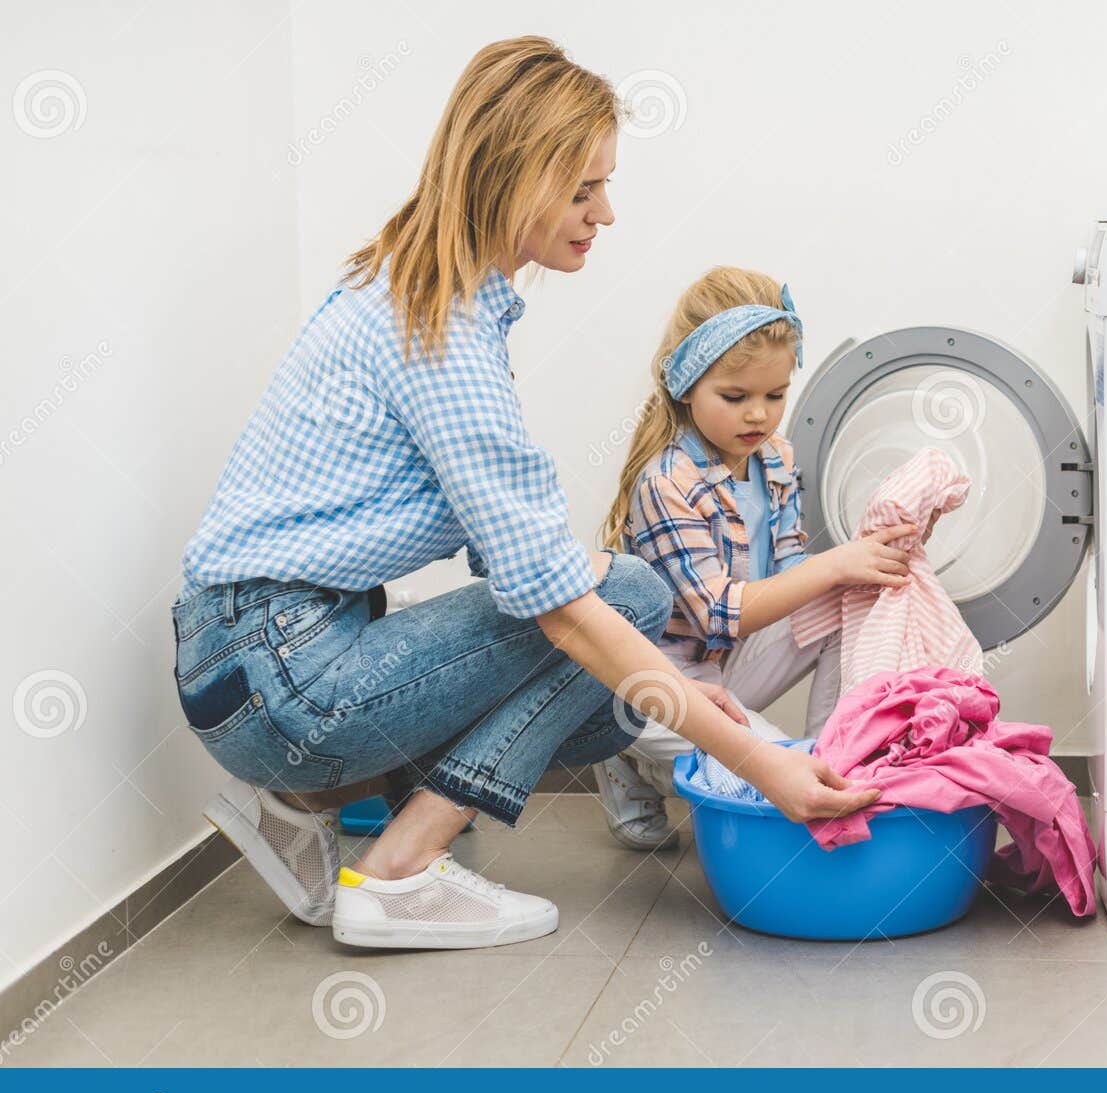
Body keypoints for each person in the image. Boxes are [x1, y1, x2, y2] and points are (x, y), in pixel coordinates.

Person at [170, 38, 878, 953]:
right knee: (620, 600)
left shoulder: (408, 291)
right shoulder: (447, 337)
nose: (606, 214)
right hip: (282, 677)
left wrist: (698, 704)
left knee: (602, 672)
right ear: (512, 179)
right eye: (584, 190)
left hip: (246, 661)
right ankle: (399, 871)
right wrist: (755, 761)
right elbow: (566, 613)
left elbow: (519, 558)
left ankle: (304, 806)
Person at [594, 266, 919, 848]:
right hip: (655, 678)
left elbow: (794, 570)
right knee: (765, 772)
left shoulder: (774, 460)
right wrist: (836, 562)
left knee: (847, 604)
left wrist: (869, 554)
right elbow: (721, 613)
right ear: (686, 384)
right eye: (736, 397)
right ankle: (625, 754)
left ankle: (834, 751)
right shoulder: (666, 482)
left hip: (725, 665)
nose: (759, 415)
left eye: (775, 395)